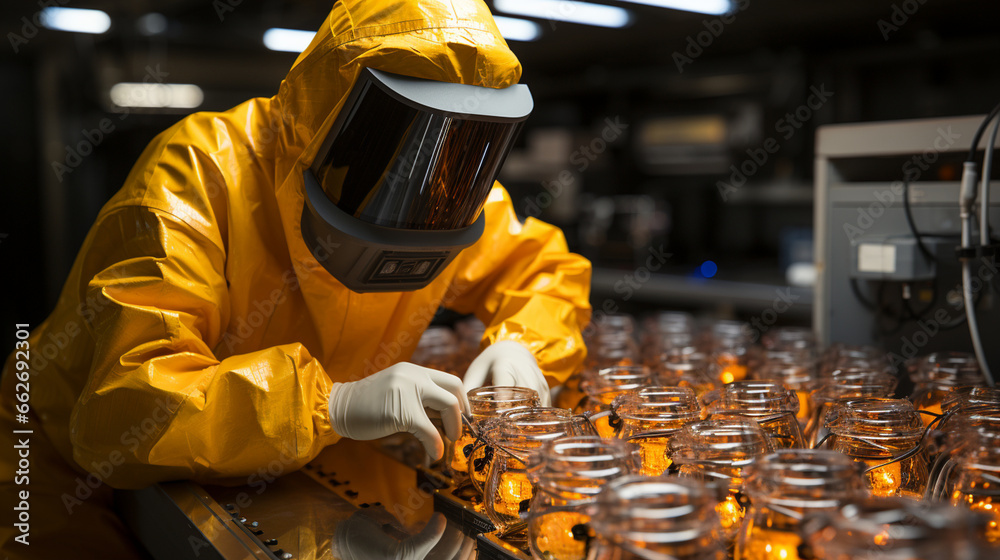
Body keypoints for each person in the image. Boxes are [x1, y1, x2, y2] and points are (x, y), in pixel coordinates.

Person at [0, 0, 592, 557]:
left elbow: (544, 269)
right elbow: (125, 407)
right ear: (329, 119)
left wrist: (523, 341)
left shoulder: (443, 192)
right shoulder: (197, 176)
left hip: (277, 457)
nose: (420, 181)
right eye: (400, 146)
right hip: (56, 466)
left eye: (456, 147)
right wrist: (328, 405)